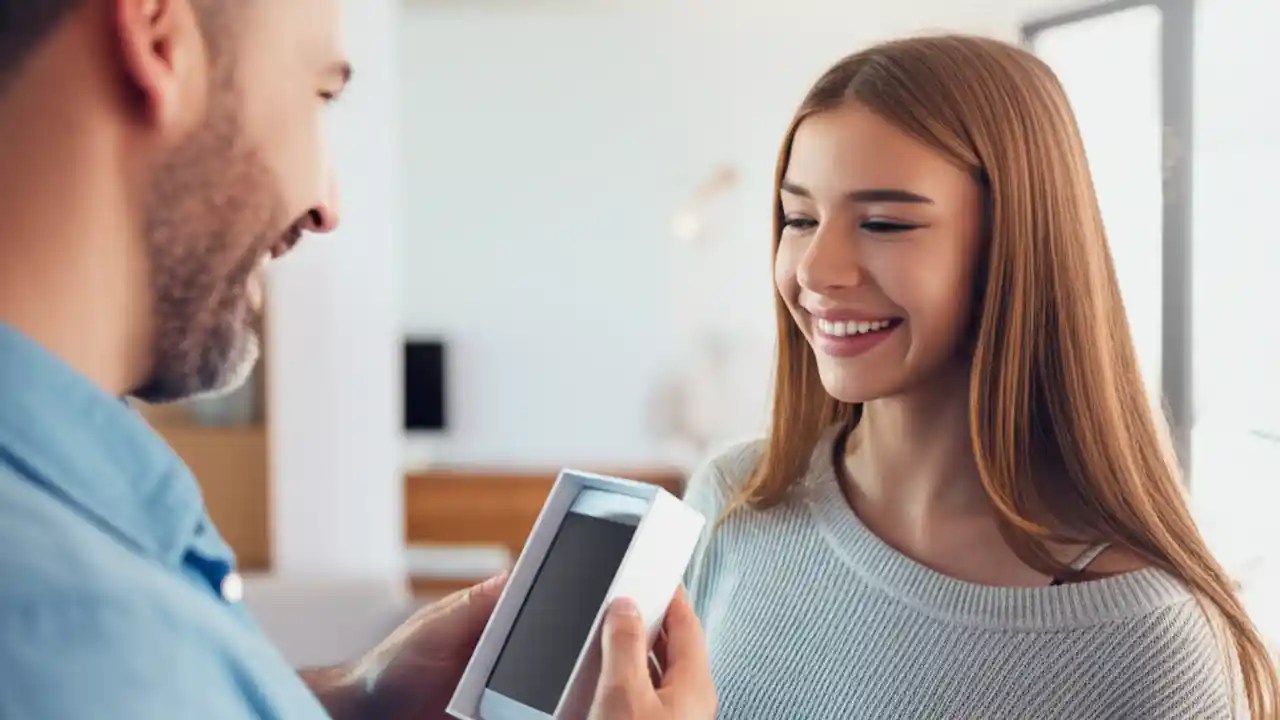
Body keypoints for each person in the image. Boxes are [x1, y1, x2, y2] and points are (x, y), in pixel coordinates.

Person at [0, 1, 715, 718]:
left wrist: (363, 697)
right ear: (159, 37)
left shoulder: (88, 540)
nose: (327, 204)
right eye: (318, 93)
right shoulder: (72, 634)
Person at [683, 34, 1278, 719]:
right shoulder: (731, 503)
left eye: (882, 223)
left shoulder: (1145, 648)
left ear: (1016, 246)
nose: (816, 270)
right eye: (799, 218)